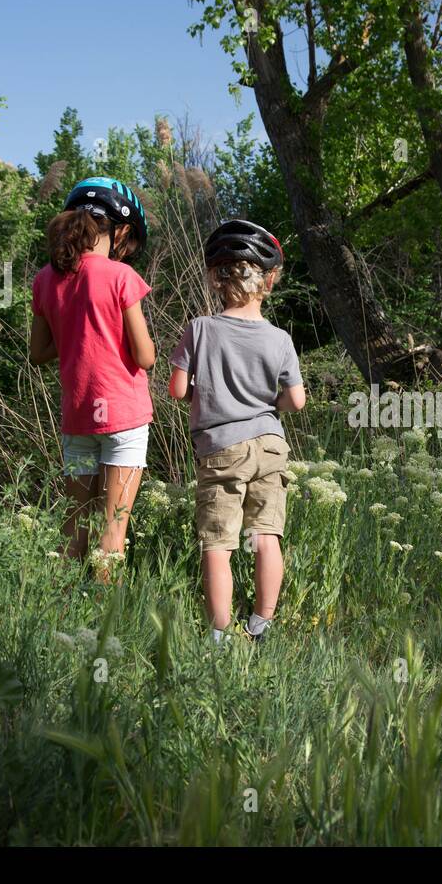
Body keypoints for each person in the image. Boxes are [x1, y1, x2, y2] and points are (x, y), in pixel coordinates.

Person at [168, 219, 306, 644]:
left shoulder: (200, 329)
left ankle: (219, 634)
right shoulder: (280, 338)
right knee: (266, 536)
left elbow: (176, 390)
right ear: (269, 281)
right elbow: (296, 400)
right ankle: (260, 624)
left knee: (219, 544)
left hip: (221, 448)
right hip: (270, 444)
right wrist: (268, 405)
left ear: (216, 278)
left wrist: (207, 395)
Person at [29, 177, 156, 582]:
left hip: (79, 417)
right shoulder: (121, 277)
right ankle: (102, 623)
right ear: (118, 231)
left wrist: (76, 336)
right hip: (124, 418)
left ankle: (65, 611)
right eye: (130, 241)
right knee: (113, 528)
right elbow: (146, 356)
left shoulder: (45, 279)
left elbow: (38, 352)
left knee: (74, 522)